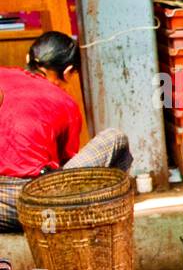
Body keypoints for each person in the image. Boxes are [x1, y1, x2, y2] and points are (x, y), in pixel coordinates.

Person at [0, 32, 133, 231]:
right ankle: (104, 215)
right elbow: (68, 173)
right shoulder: (66, 103)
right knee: (115, 138)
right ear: (68, 72)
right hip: (34, 205)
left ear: (29, 59)